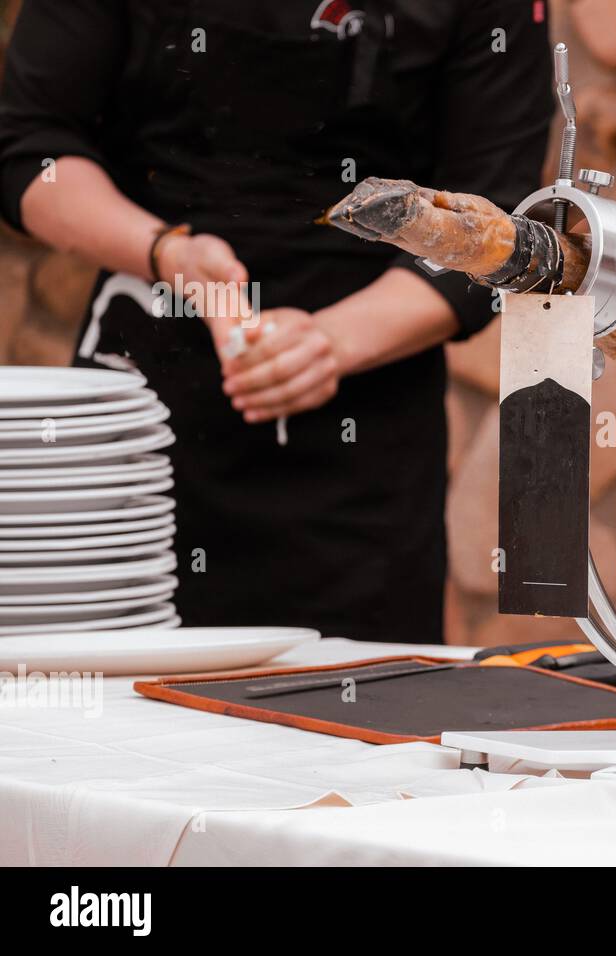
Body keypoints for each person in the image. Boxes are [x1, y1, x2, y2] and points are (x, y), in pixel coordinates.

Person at [0, 0, 554, 641]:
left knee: (360, 718)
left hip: (361, 448)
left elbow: (498, 228)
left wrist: (330, 344)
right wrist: (166, 252)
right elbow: (30, 145)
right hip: (138, 416)